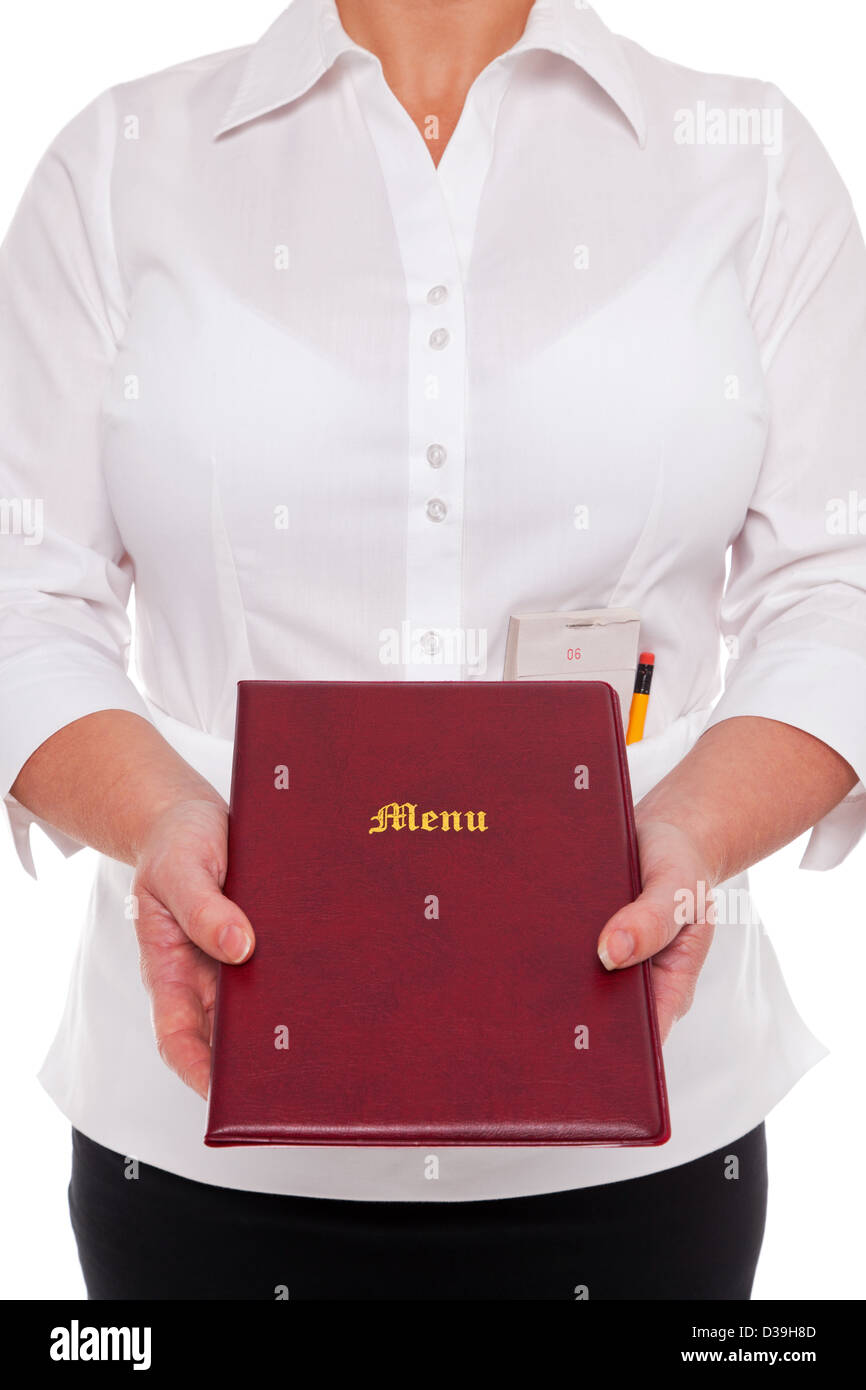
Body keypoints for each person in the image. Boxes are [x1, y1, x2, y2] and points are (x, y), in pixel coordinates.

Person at [1, 0, 864, 1301]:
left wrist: (688, 833)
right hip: (193, 1137)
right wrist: (165, 817)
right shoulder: (123, 158)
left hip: (648, 1129)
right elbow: (23, 593)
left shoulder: (746, 157)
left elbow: (837, 586)